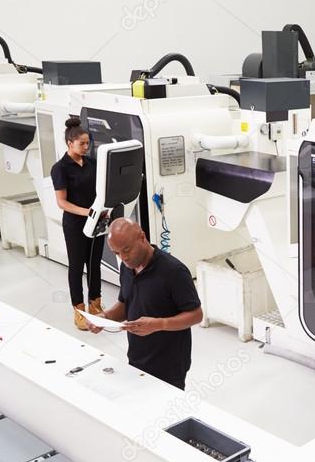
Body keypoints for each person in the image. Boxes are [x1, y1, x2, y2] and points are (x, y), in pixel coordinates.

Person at [88, 218, 202, 390]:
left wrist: (160, 324)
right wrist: (105, 317)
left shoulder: (174, 272)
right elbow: (127, 303)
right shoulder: (127, 267)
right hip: (137, 359)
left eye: (126, 250)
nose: (123, 257)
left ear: (142, 237)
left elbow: (196, 315)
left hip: (169, 365)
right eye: (116, 253)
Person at [51, 117, 104, 330]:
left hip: (96, 222)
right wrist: (87, 212)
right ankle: (79, 310)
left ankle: (96, 304)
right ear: (69, 143)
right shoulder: (60, 168)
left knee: (94, 264)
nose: (85, 147)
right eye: (81, 143)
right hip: (75, 224)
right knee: (76, 266)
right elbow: (62, 202)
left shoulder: (93, 163)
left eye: (87, 143)